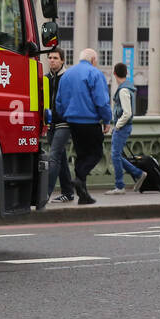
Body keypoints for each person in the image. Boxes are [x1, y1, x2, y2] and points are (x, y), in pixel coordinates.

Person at [52, 48, 108, 205]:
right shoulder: (95, 73)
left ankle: (83, 195)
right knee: (96, 154)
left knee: (81, 155)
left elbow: (59, 101)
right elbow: (101, 101)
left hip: (72, 122)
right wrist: (107, 119)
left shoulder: (67, 74)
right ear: (93, 60)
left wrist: (66, 115)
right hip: (90, 122)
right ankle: (79, 178)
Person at [107, 62, 145, 194]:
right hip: (124, 127)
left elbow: (127, 112)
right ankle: (138, 174)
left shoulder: (123, 90)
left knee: (115, 155)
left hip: (122, 127)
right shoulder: (128, 88)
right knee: (116, 155)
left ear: (115, 74)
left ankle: (120, 186)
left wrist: (117, 126)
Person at [43, 50, 75, 205]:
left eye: (55, 58)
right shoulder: (45, 78)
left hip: (64, 123)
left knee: (53, 156)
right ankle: (68, 192)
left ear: (62, 60)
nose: (52, 60)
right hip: (50, 124)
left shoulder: (68, 78)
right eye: (49, 58)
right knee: (60, 157)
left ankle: (45, 194)